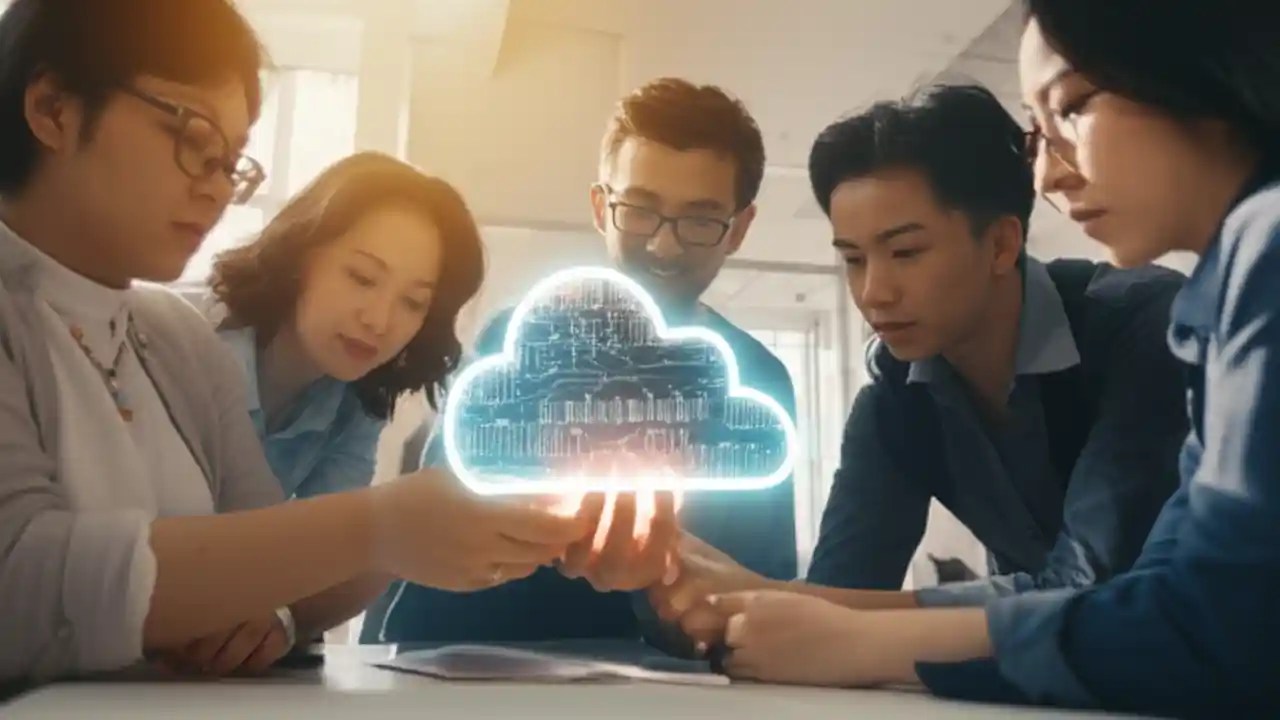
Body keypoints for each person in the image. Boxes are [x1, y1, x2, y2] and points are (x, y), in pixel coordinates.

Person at [670, 1, 1280, 716]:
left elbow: (1182, 614)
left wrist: (852, 636)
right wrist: (722, 599)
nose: (1050, 175)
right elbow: (1181, 597)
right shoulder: (898, 395)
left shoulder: (1205, 284)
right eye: (853, 260)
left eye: (1073, 108)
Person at [0, 0, 591, 685]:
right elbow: (21, 581)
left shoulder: (174, 341)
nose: (219, 186)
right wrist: (382, 528)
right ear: (53, 109)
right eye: (194, 139)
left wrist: (451, 523)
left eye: (231, 159)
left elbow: (268, 564)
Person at [650, 84, 1188, 640]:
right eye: (854, 260)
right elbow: (846, 582)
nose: (873, 292)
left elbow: (1091, 585)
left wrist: (782, 601)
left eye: (905, 253)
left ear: (1002, 245)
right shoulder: (897, 397)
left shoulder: (1145, 328)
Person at [364, 78, 798, 648]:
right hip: (475, 671)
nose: (664, 247)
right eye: (640, 210)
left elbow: (756, 601)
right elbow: (435, 550)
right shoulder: (520, 340)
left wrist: (670, 591)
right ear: (601, 207)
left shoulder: (759, 381)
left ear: (739, 228)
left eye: (699, 220)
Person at [207, 152, 484, 503]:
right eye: (362, 278)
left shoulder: (355, 400)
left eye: (413, 302)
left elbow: (326, 542)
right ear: (300, 254)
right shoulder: (190, 346)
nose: (379, 321)